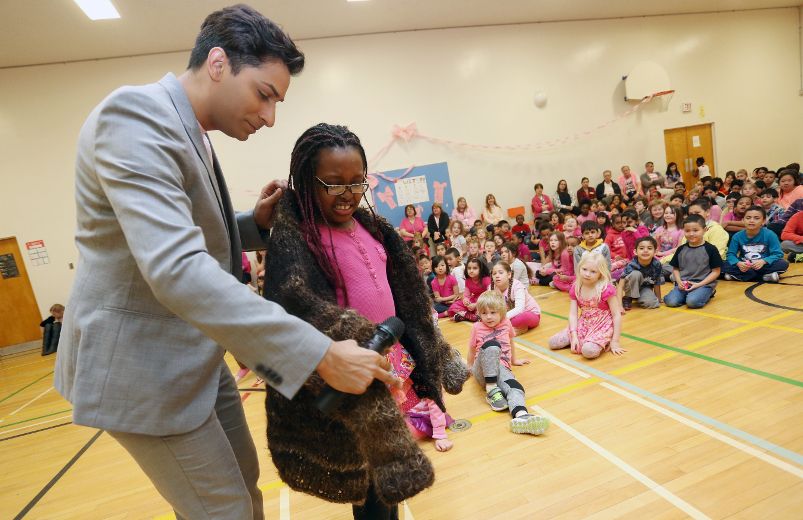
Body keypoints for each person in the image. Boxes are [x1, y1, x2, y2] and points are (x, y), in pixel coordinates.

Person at [54, 8, 399, 519]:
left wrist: (252, 224)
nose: (269, 116)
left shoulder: (189, 130)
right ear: (218, 63)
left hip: (193, 355)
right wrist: (321, 354)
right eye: (264, 94)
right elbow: (176, 269)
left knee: (244, 489)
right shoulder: (135, 116)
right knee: (224, 510)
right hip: (147, 367)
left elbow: (179, 235)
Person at [264, 123, 470, 517]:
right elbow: (293, 300)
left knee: (385, 485)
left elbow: (408, 298)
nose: (348, 194)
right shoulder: (302, 236)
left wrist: (437, 352)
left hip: (393, 368)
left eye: (358, 182)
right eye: (334, 183)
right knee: (371, 485)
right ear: (308, 182)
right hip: (352, 371)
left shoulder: (371, 226)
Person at [466, 291, 549, 435]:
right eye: (484, 313)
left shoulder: (506, 323)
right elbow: (472, 350)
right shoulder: (477, 327)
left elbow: (510, 341)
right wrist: (469, 367)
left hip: (502, 369)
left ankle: (521, 416)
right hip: (482, 371)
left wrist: (514, 360)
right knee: (492, 345)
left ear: (502, 312)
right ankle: (491, 389)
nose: (489, 316)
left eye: (493, 312)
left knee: (516, 387)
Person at [548, 251, 625, 359]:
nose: (587, 274)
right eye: (584, 269)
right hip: (583, 324)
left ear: (600, 274)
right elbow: (573, 315)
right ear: (579, 268)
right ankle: (580, 340)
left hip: (602, 326)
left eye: (593, 271)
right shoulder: (576, 288)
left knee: (588, 351)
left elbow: (616, 315)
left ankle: (603, 340)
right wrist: (574, 335)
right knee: (553, 343)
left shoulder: (606, 289)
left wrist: (615, 341)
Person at [663, 214, 722, 309]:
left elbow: (716, 271)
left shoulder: (711, 249)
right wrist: (679, 281)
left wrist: (699, 284)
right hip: (684, 284)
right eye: (687, 231)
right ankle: (688, 295)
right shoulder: (681, 249)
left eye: (695, 230)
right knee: (670, 302)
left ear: (705, 230)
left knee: (692, 302)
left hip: (703, 284)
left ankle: (709, 292)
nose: (691, 234)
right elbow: (675, 269)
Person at [722, 206, 788, 283]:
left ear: (763, 221)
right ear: (743, 220)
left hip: (763, 265)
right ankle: (764, 277)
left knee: (783, 264)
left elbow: (778, 254)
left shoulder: (770, 234)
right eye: (748, 218)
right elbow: (731, 254)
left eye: (756, 218)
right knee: (722, 264)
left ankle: (740, 276)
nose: (751, 221)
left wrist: (763, 261)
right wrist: (738, 263)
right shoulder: (737, 236)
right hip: (745, 265)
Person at [489, 262, 541, 335]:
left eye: (500, 273)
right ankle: (509, 328)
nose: (497, 276)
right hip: (508, 316)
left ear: (509, 275)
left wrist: (500, 319)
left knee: (522, 317)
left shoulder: (517, 285)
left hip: (529, 314)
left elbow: (520, 309)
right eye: (494, 274)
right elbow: (488, 306)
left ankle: (506, 328)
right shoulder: (491, 287)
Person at [618, 236, 663, 310]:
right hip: (629, 284)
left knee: (652, 303)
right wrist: (619, 305)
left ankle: (637, 296)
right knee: (636, 274)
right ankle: (628, 297)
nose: (645, 251)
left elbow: (656, 282)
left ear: (655, 252)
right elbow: (620, 286)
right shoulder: (632, 264)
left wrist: (658, 298)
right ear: (635, 252)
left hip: (644, 287)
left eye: (649, 248)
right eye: (641, 248)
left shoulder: (657, 264)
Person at [448, 258, 491, 322]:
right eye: (469, 268)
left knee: (484, 310)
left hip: (485, 300)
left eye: (475, 268)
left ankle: (465, 316)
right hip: (473, 299)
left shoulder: (486, 279)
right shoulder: (468, 280)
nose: (471, 270)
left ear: (481, 269)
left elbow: (490, 296)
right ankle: (468, 316)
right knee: (455, 305)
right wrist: (466, 301)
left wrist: (476, 305)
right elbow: (466, 295)